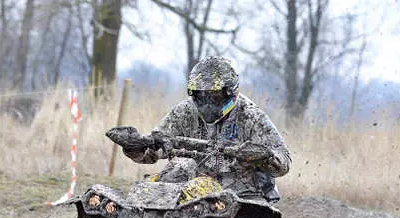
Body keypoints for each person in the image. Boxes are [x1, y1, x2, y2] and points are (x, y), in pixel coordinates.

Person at [122, 56, 291, 202]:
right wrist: (134, 147)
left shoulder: (250, 116)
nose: (208, 103)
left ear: (231, 92)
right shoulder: (185, 112)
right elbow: (155, 149)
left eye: (215, 96)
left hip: (242, 195)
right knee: (148, 192)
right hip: (191, 189)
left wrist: (265, 157)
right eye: (202, 96)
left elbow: (284, 161)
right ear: (193, 94)